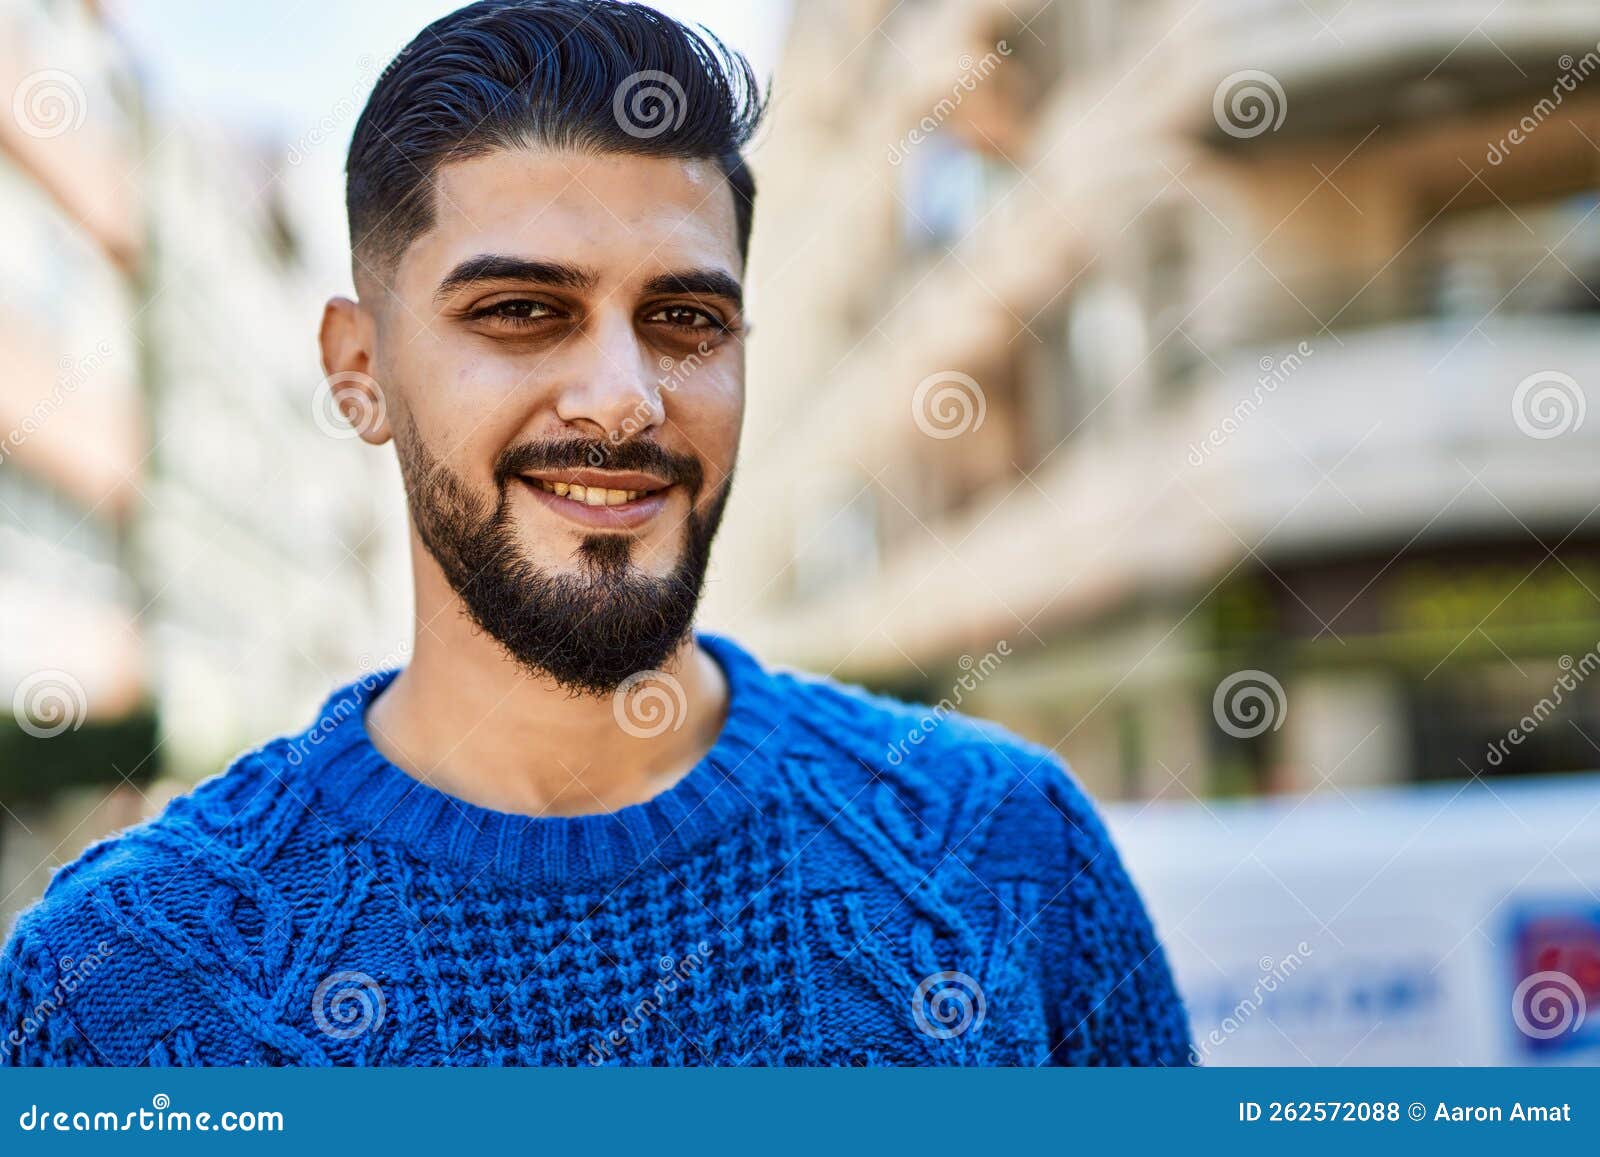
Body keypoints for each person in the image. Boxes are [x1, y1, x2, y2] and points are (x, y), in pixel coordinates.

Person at [0, 0, 1190, 1066]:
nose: (624, 395)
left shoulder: (1010, 853)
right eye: (522, 311)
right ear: (358, 370)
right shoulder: (108, 984)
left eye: (684, 317)